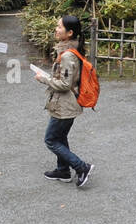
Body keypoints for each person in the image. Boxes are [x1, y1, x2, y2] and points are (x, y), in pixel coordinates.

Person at [32, 14, 96, 188]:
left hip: (64, 106)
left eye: (60, 27)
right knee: (60, 138)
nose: (56, 29)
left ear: (69, 33)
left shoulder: (68, 55)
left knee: (51, 140)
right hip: (65, 104)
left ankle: (82, 167)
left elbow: (65, 84)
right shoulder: (67, 51)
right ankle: (63, 170)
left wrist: (43, 79)